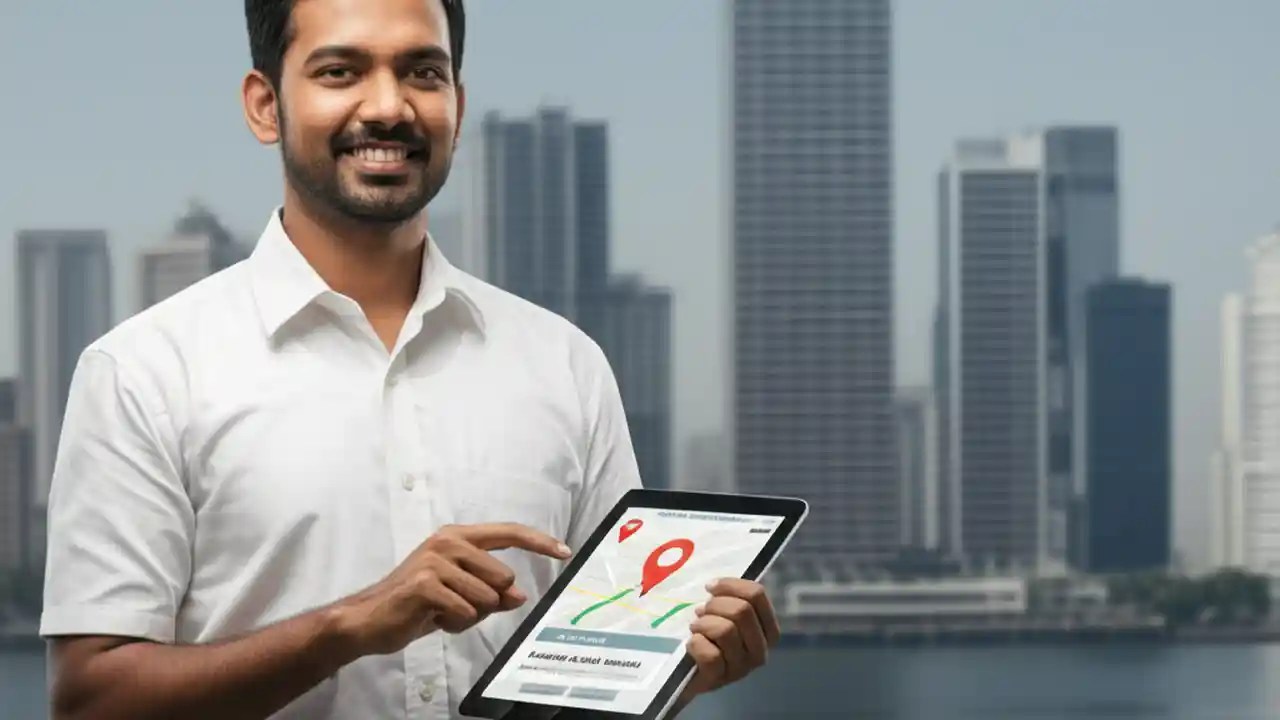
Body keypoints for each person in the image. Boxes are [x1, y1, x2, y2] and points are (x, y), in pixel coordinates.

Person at [39, 0, 781, 717]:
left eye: (422, 73)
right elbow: (91, 700)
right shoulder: (144, 373)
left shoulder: (564, 364)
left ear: (456, 104)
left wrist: (681, 673)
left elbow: (598, 682)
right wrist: (350, 624)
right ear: (266, 105)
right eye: (340, 72)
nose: (389, 106)